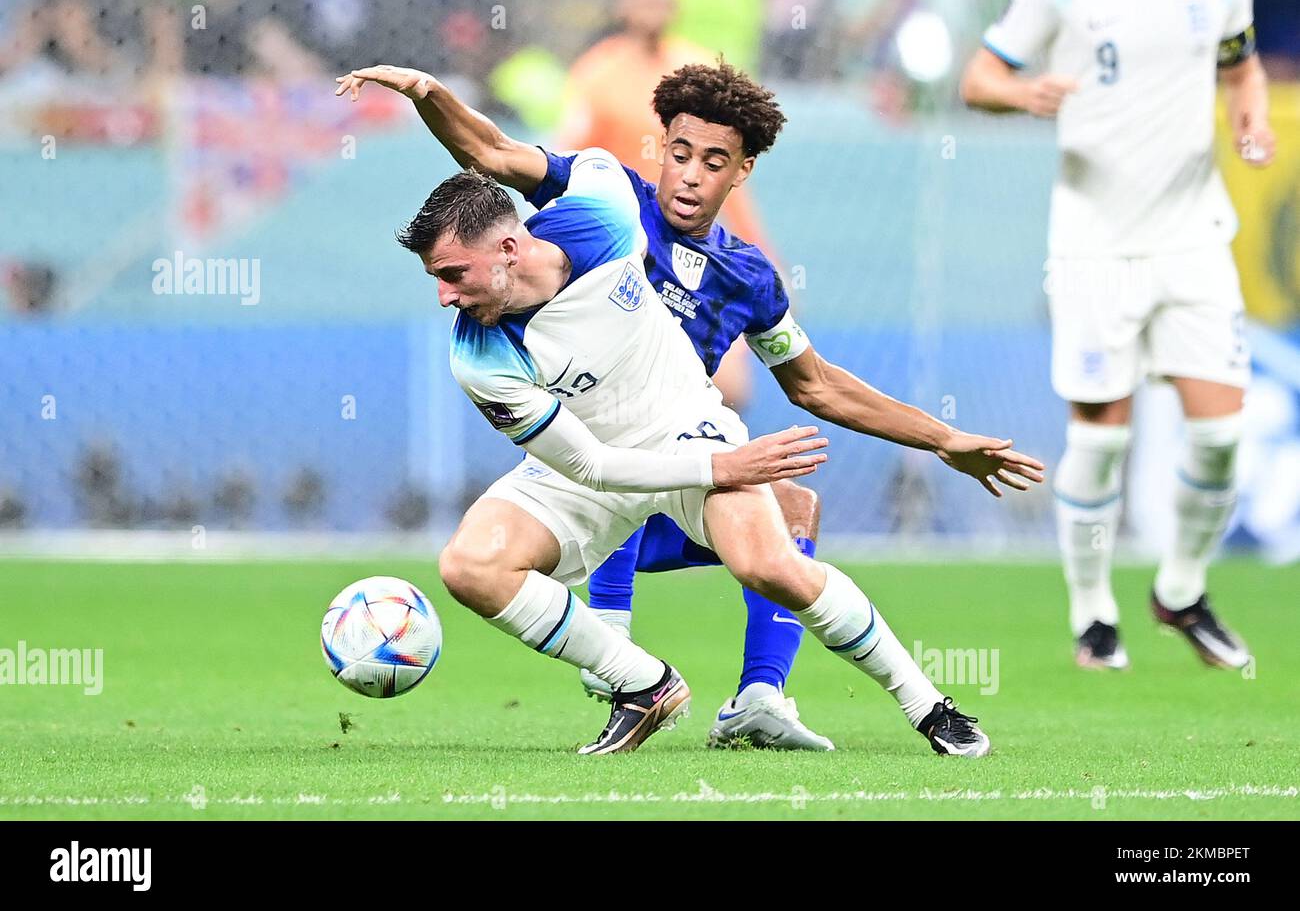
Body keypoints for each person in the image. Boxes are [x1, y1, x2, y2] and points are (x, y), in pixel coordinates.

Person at [337, 67, 1043, 757]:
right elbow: (488, 154)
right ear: (662, 148)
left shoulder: (747, 274)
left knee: (783, 531)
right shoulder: (610, 200)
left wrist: (943, 438)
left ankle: (822, 702)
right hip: (590, 458)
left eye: (714, 161)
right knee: (471, 563)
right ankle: (634, 672)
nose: (691, 175)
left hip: (684, 434)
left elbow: (817, 387)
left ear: (741, 170)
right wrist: (430, 91)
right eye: (679, 154)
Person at [961, 0, 1274, 670]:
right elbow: (978, 80)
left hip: (1193, 237)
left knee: (1221, 437)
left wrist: (1253, 124)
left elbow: (1242, 69)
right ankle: (1093, 613)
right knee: (1101, 438)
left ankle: (1182, 591)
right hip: (1093, 247)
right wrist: (1021, 92)